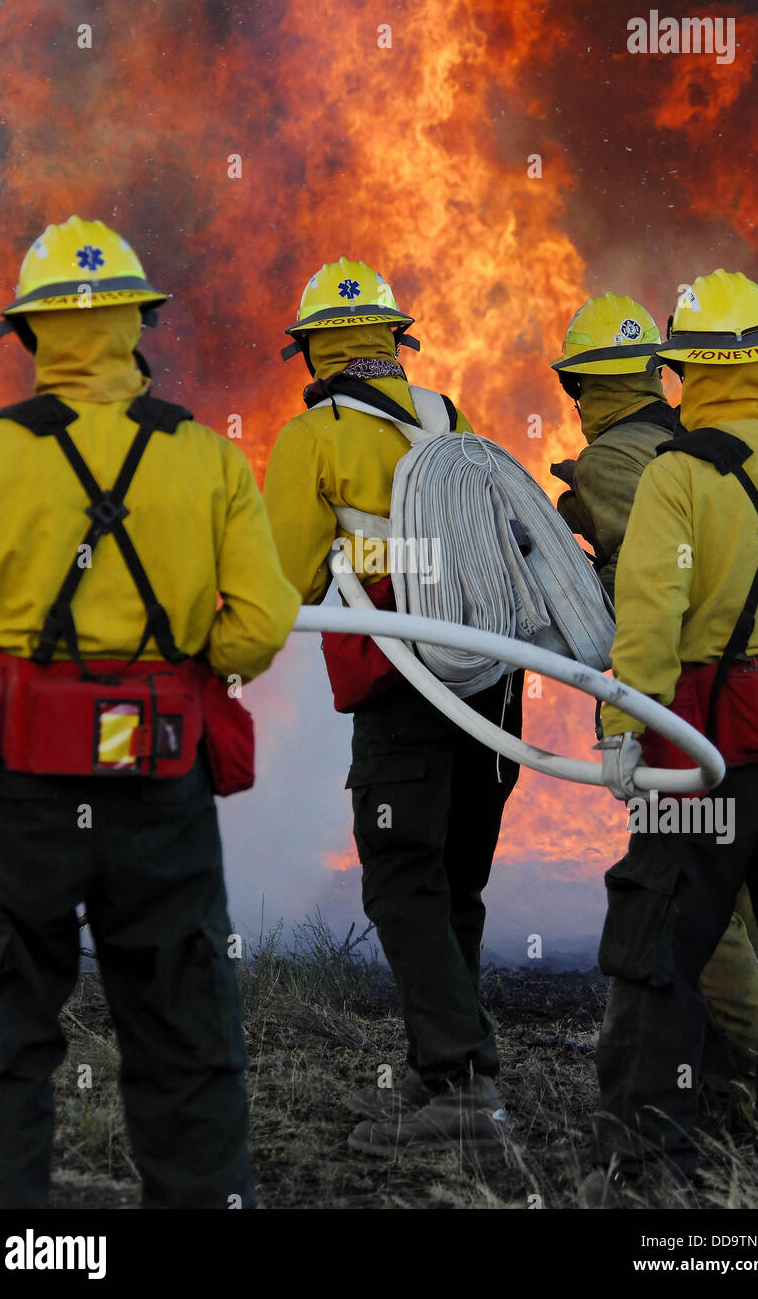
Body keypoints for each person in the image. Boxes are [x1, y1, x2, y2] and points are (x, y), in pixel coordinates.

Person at [0, 216, 300, 1209]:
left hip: (20, 785)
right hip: (160, 783)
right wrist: (197, 658)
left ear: (30, 336)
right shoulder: (207, 458)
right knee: (184, 1023)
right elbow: (263, 621)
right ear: (135, 326)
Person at [263, 258, 522, 1157]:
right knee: (454, 880)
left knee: (401, 878)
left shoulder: (316, 435)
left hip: (405, 683)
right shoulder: (453, 420)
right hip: (494, 683)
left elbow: (282, 579)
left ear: (312, 352)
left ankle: (458, 1088)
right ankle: (442, 1072)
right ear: (393, 344)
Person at [589, 269, 758, 1201]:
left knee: (658, 959)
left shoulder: (674, 476)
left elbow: (647, 621)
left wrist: (620, 734)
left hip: (698, 767)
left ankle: (649, 1171)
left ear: (681, 371)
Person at [550, 292, 758, 1109]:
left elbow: (645, 602)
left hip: (681, 710)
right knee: (746, 900)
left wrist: (622, 729)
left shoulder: (610, 464)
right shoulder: (699, 443)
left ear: (578, 388)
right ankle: (726, 1091)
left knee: (693, 922)